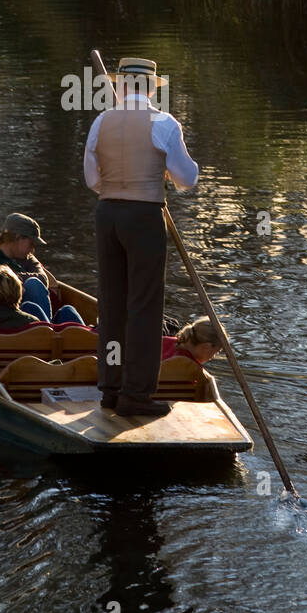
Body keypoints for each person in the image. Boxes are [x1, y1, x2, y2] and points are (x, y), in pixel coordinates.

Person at [84, 57, 199, 418]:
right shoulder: (164, 123)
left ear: (120, 87)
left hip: (107, 215)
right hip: (144, 215)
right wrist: (158, 173)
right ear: (150, 89)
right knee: (145, 307)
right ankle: (136, 394)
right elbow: (187, 178)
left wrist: (121, 184)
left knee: (113, 303)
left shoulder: (101, 121)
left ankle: (111, 388)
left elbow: (92, 178)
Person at [0, 212, 83, 324]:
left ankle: (88, 339)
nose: (33, 249)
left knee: (67, 310)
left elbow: (43, 278)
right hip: (0, 319)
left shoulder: (28, 258)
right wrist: (17, 280)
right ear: (17, 238)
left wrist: (15, 278)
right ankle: (46, 334)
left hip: (28, 319)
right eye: (31, 244)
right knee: (32, 286)